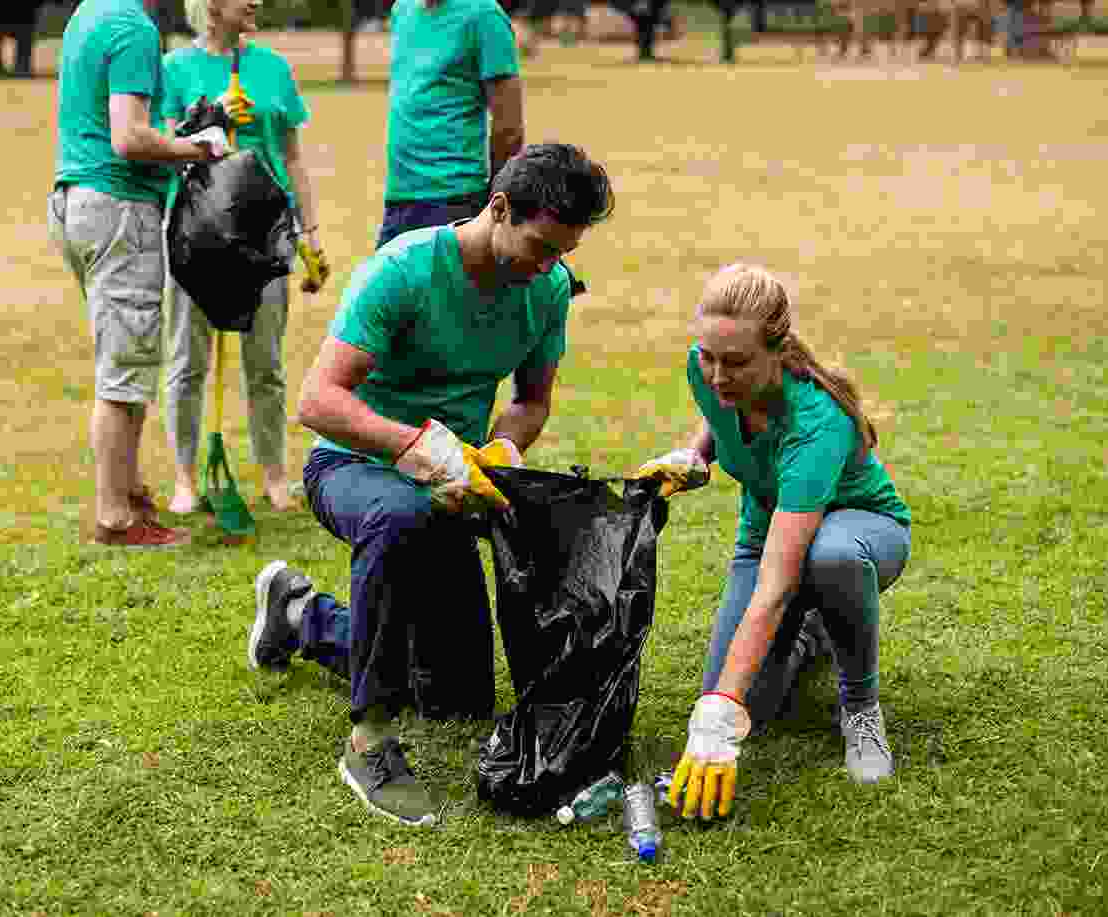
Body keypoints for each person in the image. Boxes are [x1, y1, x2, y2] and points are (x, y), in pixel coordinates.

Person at [245, 144, 615, 827]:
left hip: (455, 486)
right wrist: (419, 449)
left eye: (563, 252)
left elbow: (532, 400)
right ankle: (368, 742)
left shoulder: (548, 289)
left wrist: (500, 450)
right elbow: (318, 401)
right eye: (540, 245)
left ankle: (299, 615)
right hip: (355, 467)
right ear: (499, 208)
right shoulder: (405, 270)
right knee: (399, 515)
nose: (548, 266)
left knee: (455, 698)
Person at [633, 264, 912, 822]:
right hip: (769, 538)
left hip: (861, 531)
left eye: (735, 362)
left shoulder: (817, 423)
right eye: (708, 356)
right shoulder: (707, 370)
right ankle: (816, 633)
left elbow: (774, 587)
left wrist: (716, 722)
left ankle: (860, 707)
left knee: (825, 558)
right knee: (755, 704)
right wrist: (697, 455)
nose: (715, 375)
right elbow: (720, 411)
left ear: (778, 353)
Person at [48, 0, 224, 549]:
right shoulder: (133, 28)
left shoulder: (89, 13)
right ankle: (116, 517)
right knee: (124, 371)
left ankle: (125, 489)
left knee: (123, 357)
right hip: (120, 208)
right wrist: (199, 148)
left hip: (75, 200)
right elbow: (129, 138)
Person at [161, 0, 330, 514]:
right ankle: (186, 480)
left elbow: (293, 156)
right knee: (188, 362)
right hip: (197, 230)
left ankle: (275, 477)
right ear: (211, 4)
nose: (256, 1)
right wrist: (210, 116)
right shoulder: (175, 69)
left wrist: (311, 231)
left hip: (265, 229)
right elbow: (165, 145)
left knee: (267, 364)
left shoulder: (274, 68)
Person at [376, 0, 526, 250]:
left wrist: (491, 205)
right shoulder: (402, 10)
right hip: (399, 199)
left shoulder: (484, 15)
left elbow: (509, 127)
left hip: (454, 201)